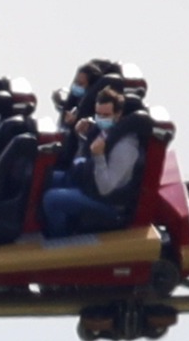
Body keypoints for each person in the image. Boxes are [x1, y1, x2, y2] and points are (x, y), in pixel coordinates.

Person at [38, 86, 142, 238]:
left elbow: (105, 189)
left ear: (118, 114)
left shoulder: (125, 147)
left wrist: (98, 157)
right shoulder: (104, 133)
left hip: (108, 204)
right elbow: (82, 162)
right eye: (98, 114)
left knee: (52, 199)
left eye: (106, 115)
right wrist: (81, 140)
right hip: (90, 185)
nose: (101, 119)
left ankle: (58, 240)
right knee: (44, 178)